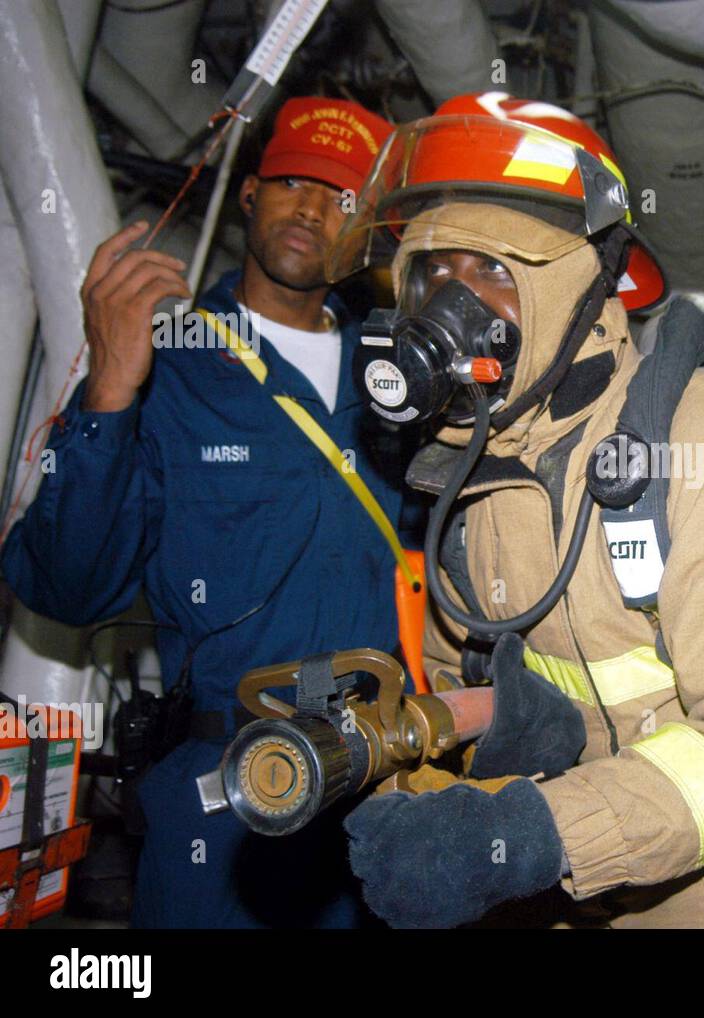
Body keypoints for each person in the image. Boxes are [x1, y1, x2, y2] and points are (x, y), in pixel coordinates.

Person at [336, 92, 704, 929]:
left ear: (581, 287)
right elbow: (493, 685)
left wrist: (532, 834)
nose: (449, 312)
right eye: (433, 275)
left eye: (493, 270)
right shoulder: (471, 482)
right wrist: (429, 762)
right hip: (599, 891)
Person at [1, 96, 405, 928]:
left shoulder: (398, 377)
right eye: (292, 180)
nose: (311, 208)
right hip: (225, 797)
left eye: (340, 196)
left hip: (385, 784)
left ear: (365, 227)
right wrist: (111, 384)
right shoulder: (169, 367)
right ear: (250, 193)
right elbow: (69, 589)